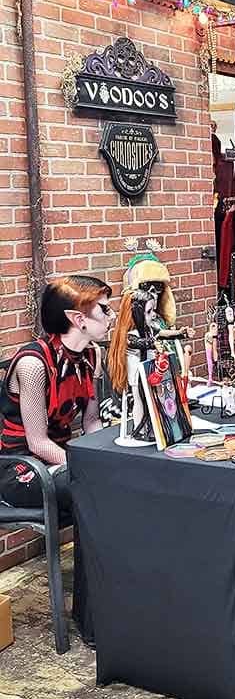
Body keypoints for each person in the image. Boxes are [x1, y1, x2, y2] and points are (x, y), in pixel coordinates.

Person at [0, 275, 116, 643]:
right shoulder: (33, 364)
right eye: (104, 309)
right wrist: (87, 465)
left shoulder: (90, 357)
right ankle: (93, 620)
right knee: (98, 490)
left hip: (61, 462)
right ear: (78, 319)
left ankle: (123, 601)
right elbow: (36, 441)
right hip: (19, 469)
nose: (111, 315)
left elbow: (92, 421)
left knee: (122, 479)